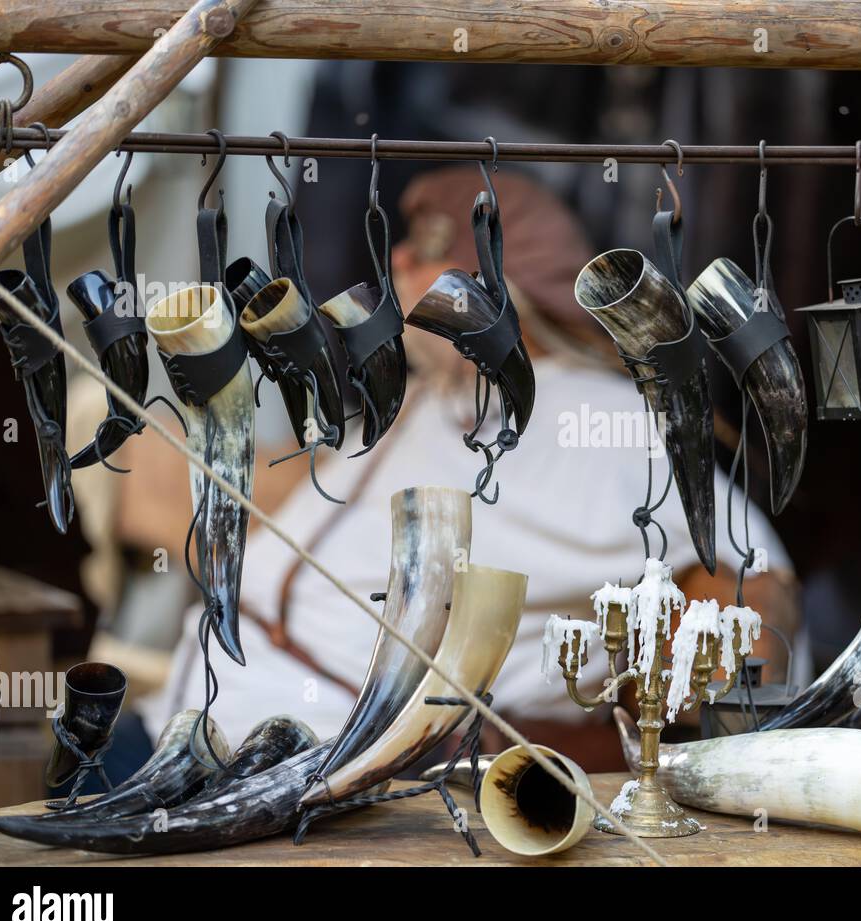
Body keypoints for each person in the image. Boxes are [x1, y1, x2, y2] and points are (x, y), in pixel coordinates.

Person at [131, 167, 800, 771]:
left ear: (498, 288)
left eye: (427, 252)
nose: (396, 264)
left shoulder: (601, 419)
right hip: (198, 726)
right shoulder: (434, 396)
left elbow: (752, 586)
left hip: (319, 763)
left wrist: (641, 716)